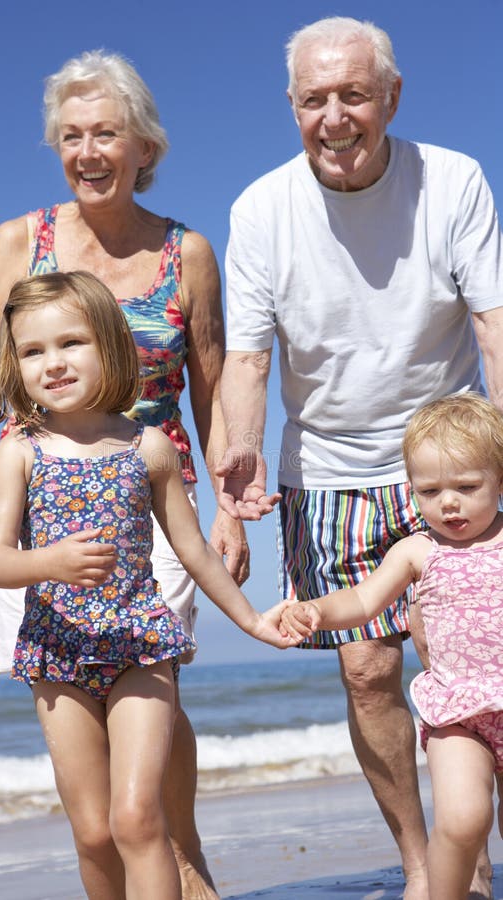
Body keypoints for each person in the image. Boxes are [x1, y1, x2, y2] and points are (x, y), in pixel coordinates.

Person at [0, 49, 249, 899]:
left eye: (107, 132)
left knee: (156, 692)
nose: (89, 150)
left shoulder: (187, 252)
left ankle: (179, 852)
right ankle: (142, 852)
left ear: (146, 145)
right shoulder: (17, 242)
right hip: (44, 505)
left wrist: (230, 510)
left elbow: (209, 384)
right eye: (72, 136)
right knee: (87, 770)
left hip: (153, 482)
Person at [217, 15, 503, 899]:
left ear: (391, 97)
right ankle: (429, 865)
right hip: (329, 466)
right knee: (369, 667)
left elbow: (493, 319)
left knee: (483, 653)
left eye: (352, 95)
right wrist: (239, 472)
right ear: (292, 106)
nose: (334, 117)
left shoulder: (450, 179)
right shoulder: (262, 208)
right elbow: (247, 356)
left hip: (449, 456)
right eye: (314, 99)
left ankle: (474, 850)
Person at [0, 270, 292, 900]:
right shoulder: (19, 451)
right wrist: (50, 562)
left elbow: (196, 553)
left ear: (111, 346)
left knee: (137, 818)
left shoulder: (148, 447)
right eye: (33, 351)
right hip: (58, 652)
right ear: (16, 365)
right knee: (95, 833)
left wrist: (254, 621)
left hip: (141, 646)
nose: (54, 363)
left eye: (71, 342)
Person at [280, 393, 503, 900]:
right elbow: (362, 600)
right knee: (463, 820)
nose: (448, 502)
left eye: (467, 487)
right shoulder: (417, 551)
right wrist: (317, 611)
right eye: (430, 491)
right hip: (457, 713)